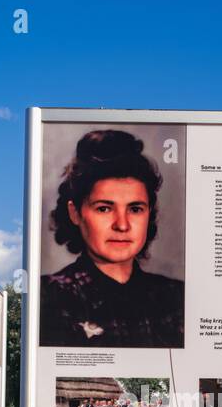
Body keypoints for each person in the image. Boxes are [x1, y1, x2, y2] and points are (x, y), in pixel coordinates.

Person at [40, 130, 184, 347]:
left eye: (135, 209)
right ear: (75, 213)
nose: (122, 225)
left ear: (149, 213)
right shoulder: (50, 296)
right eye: (104, 208)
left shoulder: (175, 296)